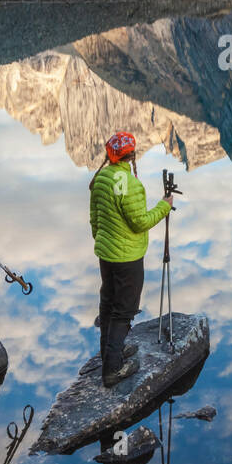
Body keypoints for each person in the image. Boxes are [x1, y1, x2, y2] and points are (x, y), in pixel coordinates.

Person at [88, 131, 173, 386]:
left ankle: (109, 352)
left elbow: (95, 218)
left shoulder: (101, 178)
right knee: (123, 310)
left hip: (107, 255)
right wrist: (164, 205)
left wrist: (103, 241)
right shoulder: (130, 183)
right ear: (132, 155)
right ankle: (112, 369)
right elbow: (140, 223)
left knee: (108, 304)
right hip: (128, 258)